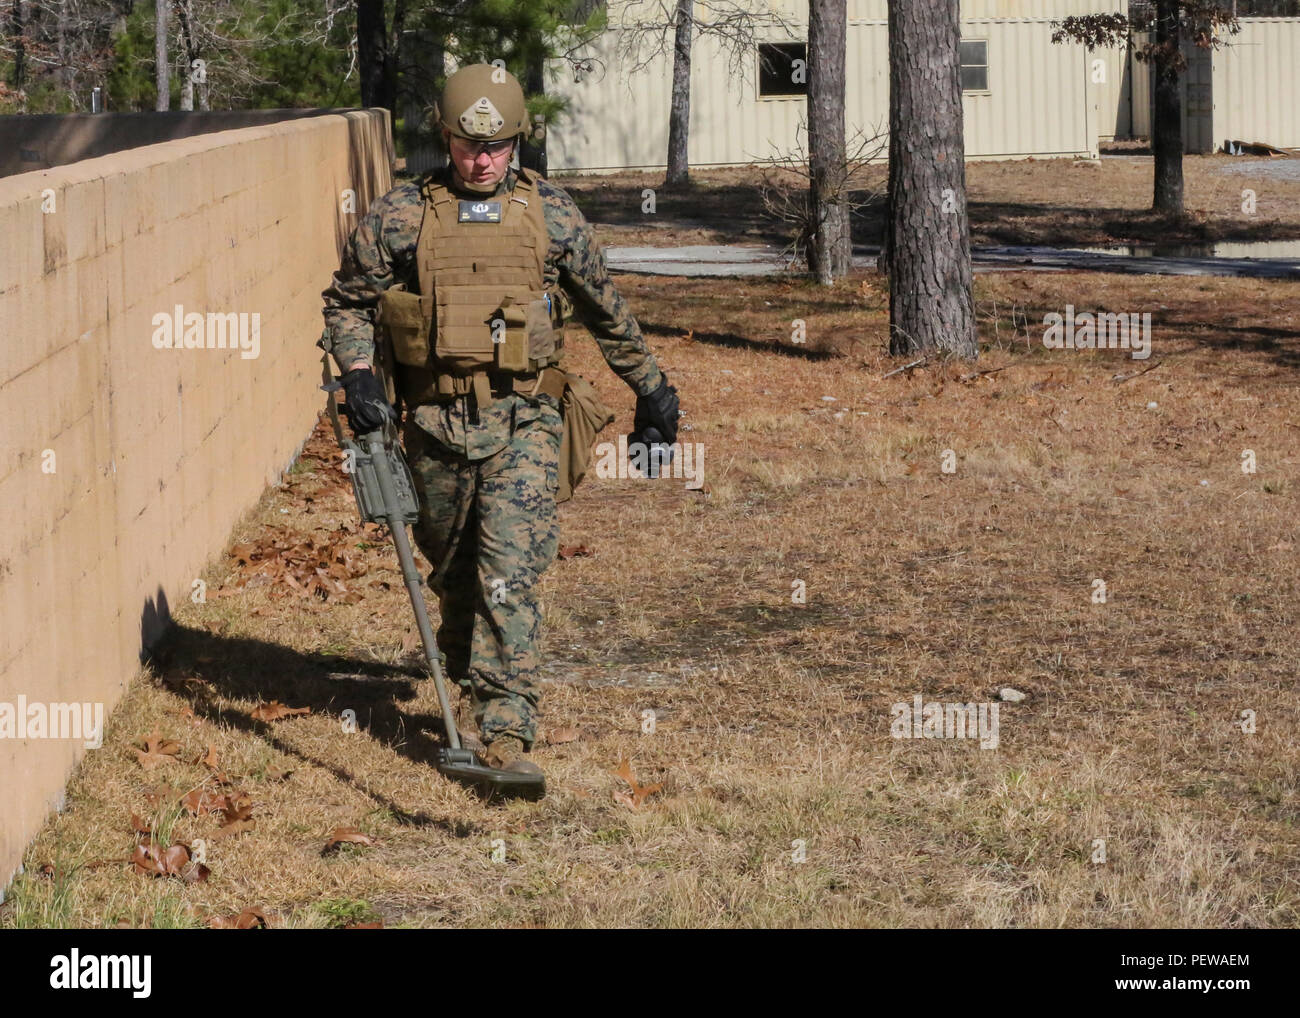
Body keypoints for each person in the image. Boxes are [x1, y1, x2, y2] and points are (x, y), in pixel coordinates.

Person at [319, 64, 679, 783]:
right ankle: (465, 661)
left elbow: (605, 306)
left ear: (518, 142)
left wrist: (652, 388)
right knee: (452, 562)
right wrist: (359, 375)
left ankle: (506, 731)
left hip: (525, 418)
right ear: (445, 138)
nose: (480, 160)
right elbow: (348, 303)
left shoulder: (551, 213)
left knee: (507, 569)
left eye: (497, 146)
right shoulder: (401, 216)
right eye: (465, 145)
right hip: (430, 422)